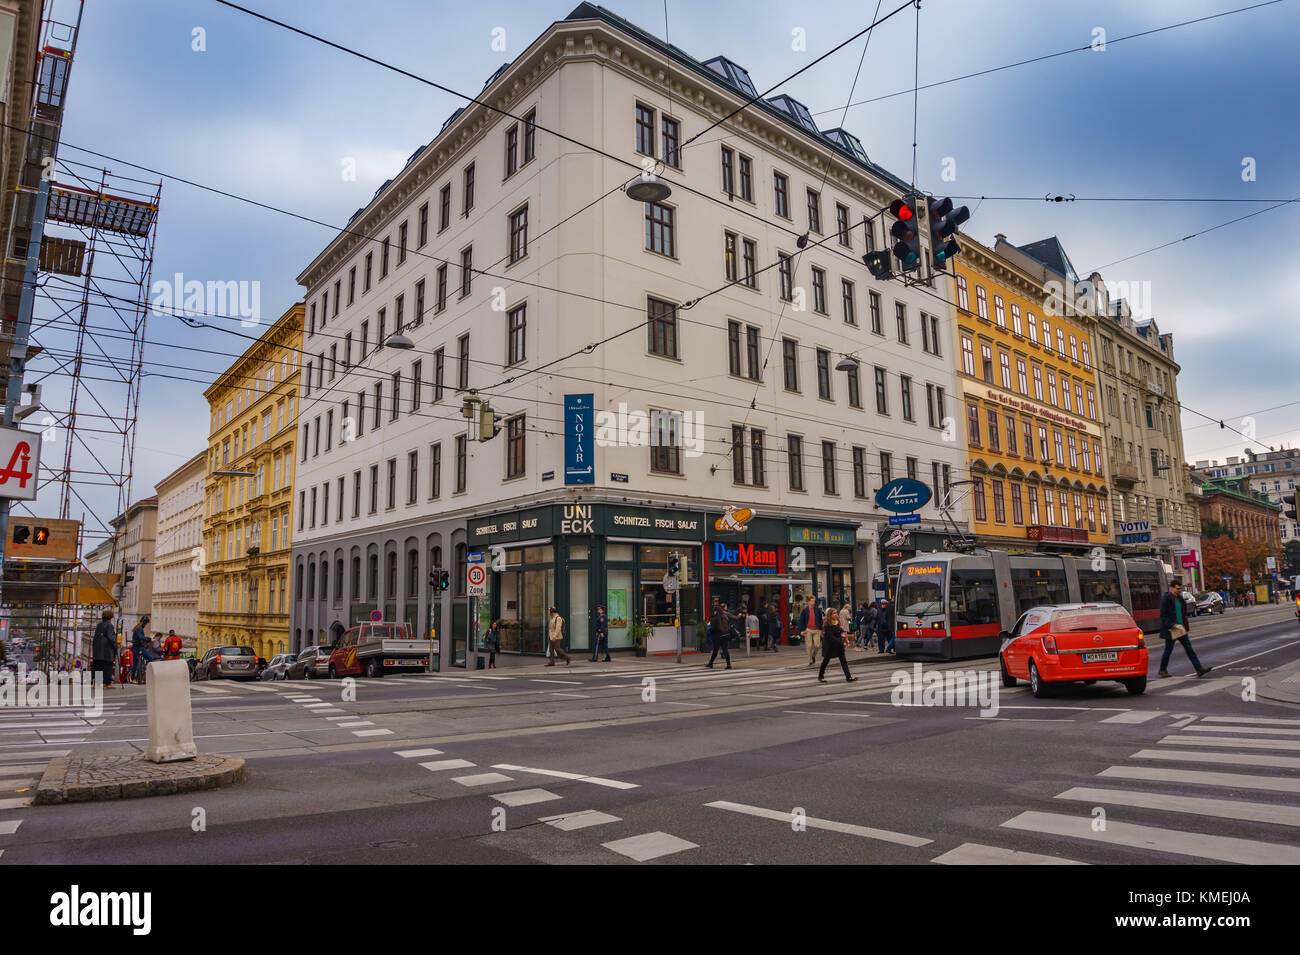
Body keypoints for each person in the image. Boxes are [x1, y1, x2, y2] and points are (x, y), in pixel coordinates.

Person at [1159, 580, 1211, 678]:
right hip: (1172, 629)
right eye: (1178, 589)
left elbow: (1183, 613)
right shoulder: (1166, 598)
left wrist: (1185, 626)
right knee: (1168, 650)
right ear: (1172, 588)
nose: (1179, 590)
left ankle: (1199, 669)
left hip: (1181, 628)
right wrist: (1173, 625)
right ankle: (1162, 669)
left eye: (1180, 589)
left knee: (1189, 649)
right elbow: (1163, 616)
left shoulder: (1179, 598)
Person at [818, 609, 858, 684]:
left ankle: (848, 676)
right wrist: (841, 642)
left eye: (836, 613)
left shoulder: (837, 622)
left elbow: (840, 633)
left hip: (838, 646)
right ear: (830, 615)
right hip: (830, 646)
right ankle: (820, 676)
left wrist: (842, 632)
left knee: (843, 661)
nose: (836, 614)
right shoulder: (827, 624)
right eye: (834, 613)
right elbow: (830, 636)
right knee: (825, 661)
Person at [91, 609, 118, 690]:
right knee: (107, 666)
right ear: (110, 617)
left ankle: (98, 683)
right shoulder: (109, 625)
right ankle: (107, 683)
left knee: (98, 666)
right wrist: (115, 645)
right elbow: (111, 637)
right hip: (106, 650)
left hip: (97, 650)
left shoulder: (99, 625)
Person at [799, 599, 824, 666]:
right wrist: (801, 630)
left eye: (814, 601)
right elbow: (801, 620)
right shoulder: (805, 610)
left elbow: (820, 620)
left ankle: (813, 655)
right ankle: (810, 660)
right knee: (809, 646)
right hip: (808, 630)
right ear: (809, 602)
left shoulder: (818, 610)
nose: (813, 602)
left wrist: (821, 628)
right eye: (812, 601)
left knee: (817, 645)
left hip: (816, 630)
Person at [707, 602, 732, 669]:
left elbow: (713, 628)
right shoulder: (725, 616)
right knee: (725, 650)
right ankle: (728, 664)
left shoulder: (714, 618)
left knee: (715, 650)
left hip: (718, 636)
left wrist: (710, 630)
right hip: (726, 634)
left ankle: (711, 663)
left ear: (715, 611)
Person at [131, 616, 149, 683]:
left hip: (99, 655)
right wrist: (149, 639)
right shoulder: (139, 628)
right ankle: (133, 678)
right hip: (137, 647)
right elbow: (141, 637)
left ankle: (99, 687)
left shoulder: (138, 628)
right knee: (150, 658)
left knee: (100, 667)